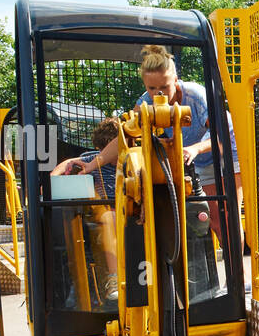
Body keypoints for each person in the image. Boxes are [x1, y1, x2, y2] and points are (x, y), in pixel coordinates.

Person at [88, 45, 238, 246]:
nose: (159, 93)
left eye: (165, 87)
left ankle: (240, 276)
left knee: (229, 217)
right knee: (216, 221)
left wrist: (194, 148)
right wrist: (93, 164)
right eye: (151, 88)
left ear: (176, 81)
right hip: (197, 158)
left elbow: (220, 136)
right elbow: (125, 137)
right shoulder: (144, 103)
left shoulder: (196, 95)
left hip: (225, 147)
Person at [51, 117, 122, 300]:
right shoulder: (94, 160)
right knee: (107, 218)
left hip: (131, 208)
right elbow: (65, 164)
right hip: (105, 214)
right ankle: (113, 278)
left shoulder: (133, 157)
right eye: (102, 151)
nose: (106, 156)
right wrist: (52, 181)